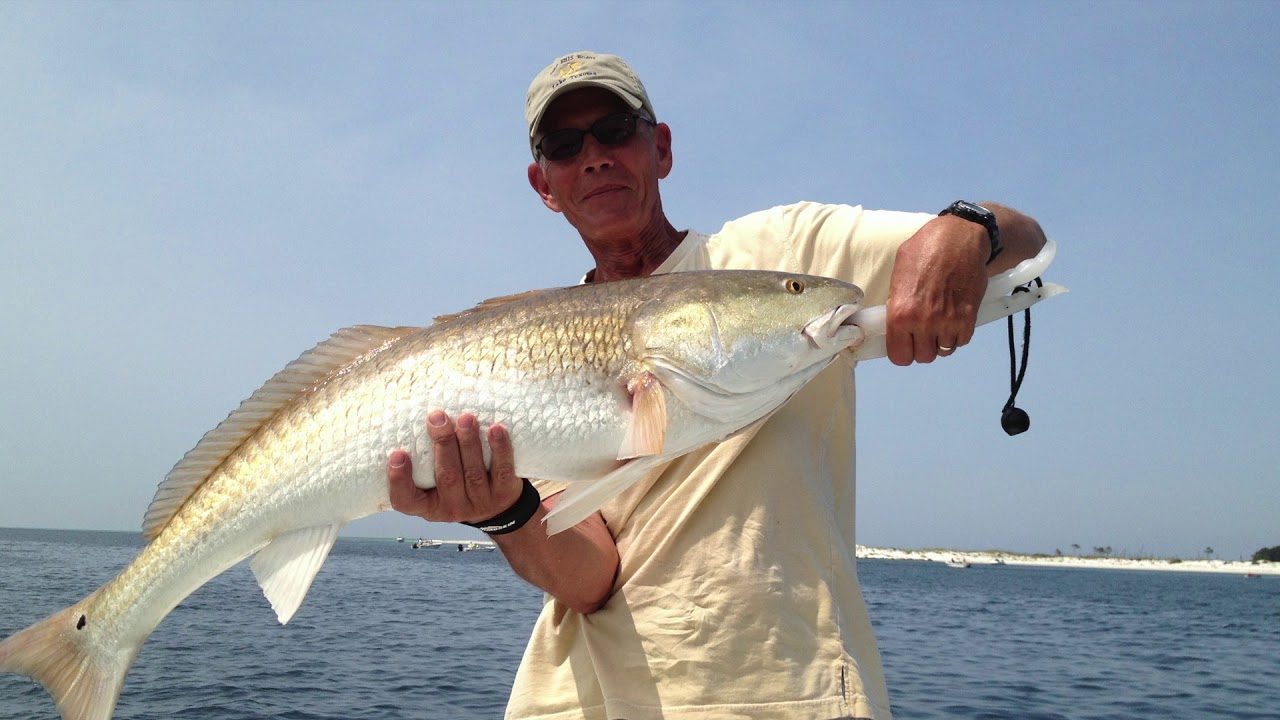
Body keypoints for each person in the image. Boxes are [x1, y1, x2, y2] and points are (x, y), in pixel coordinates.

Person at [386, 51, 1047, 720]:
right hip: (574, 702)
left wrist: (969, 227)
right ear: (545, 185)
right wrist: (504, 510)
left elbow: (1024, 242)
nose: (593, 156)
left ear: (660, 146)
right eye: (565, 145)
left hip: (784, 694)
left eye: (616, 129)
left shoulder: (786, 253)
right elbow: (590, 579)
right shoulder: (524, 353)